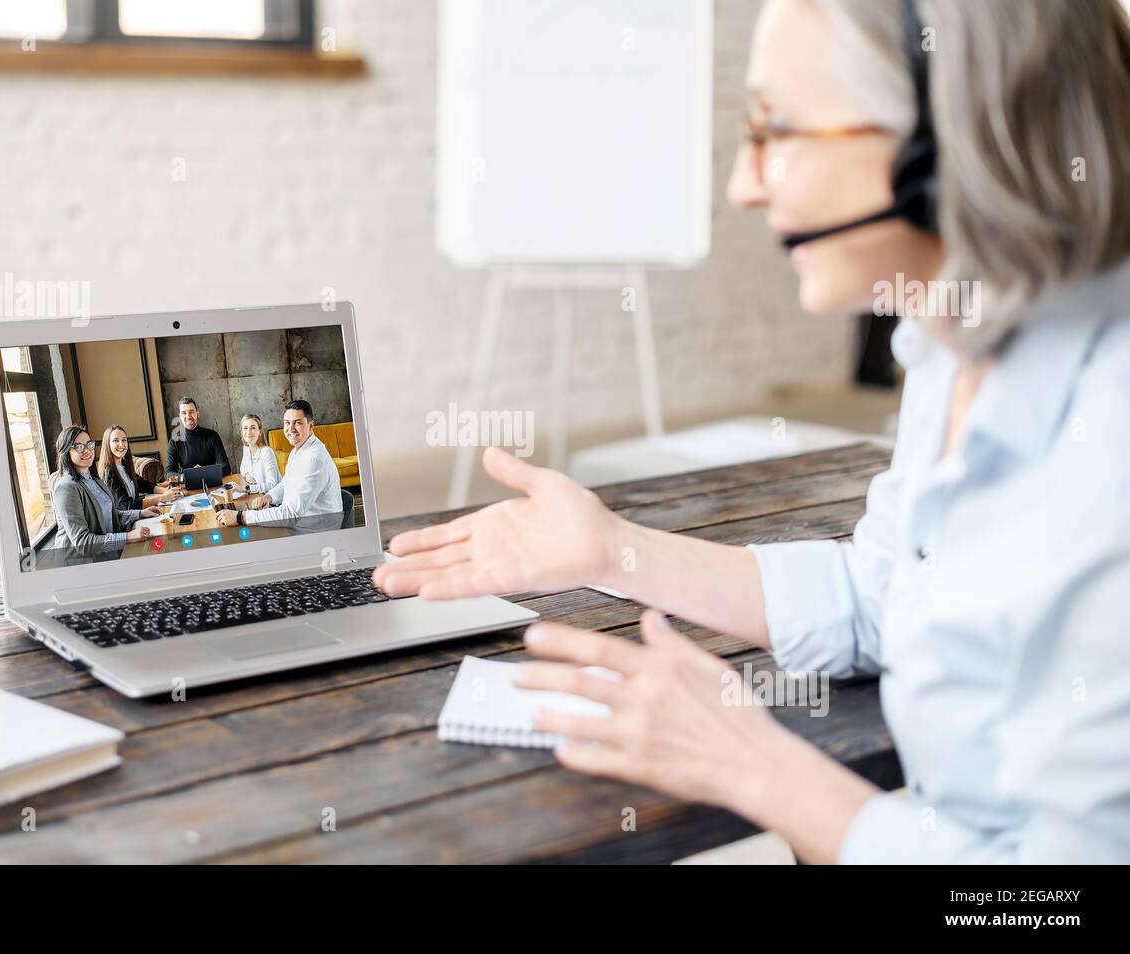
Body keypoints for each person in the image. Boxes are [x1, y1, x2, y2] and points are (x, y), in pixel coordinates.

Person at [373, 0, 1130, 863]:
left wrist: (756, 769)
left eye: (778, 129)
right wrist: (609, 550)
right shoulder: (959, 347)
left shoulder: (1105, 456)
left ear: (944, 144)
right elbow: (882, 595)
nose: (744, 184)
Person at [216, 400, 342, 528]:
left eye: (297, 423)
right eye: (287, 423)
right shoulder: (298, 450)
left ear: (311, 426)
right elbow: (286, 483)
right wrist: (269, 497)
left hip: (314, 532)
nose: (291, 429)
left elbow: (291, 514)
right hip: (300, 524)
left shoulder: (314, 460)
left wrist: (240, 517)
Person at [51, 425, 158, 561]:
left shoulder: (93, 479)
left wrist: (141, 513)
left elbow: (110, 514)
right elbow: (84, 543)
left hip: (108, 554)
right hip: (82, 567)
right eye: (78, 447)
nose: (87, 450)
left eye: (89, 444)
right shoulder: (66, 489)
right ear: (66, 451)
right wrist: (128, 537)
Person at [97, 424, 179, 512]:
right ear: (107, 444)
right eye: (115, 441)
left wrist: (165, 490)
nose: (121, 444)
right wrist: (162, 497)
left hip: (136, 514)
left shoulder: (123, 464)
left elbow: (142, 484)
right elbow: (126, 505)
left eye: (124, 440)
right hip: (126, 522)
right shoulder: (108, 472)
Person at [164, 396, 230, 477]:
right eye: (184, 413)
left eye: (191, 411)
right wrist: (189, 475)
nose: (188, 416)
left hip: (212, 484)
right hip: (187, 486)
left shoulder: (212, 436)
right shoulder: (175, 441)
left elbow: (226, 467)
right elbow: (168, 473)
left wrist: (203, 472)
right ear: (180, 416)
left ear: (197, 413)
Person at [237, 413, 281, 495]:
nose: (248, 432)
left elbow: (272, 484)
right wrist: (247, 475)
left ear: (259, 432)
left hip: (273, 500)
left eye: (253, 428)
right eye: (245, 428)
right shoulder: (246, 448)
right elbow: (243, 467)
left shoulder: (267, 452)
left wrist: (246, 488)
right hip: (258, 495)